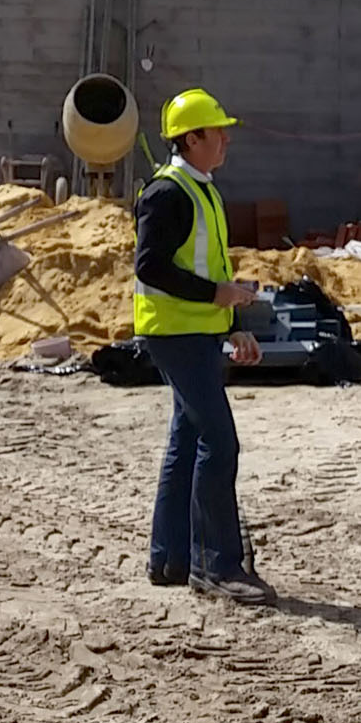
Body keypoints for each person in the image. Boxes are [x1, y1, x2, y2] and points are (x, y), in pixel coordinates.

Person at [135, 88, 272, 604]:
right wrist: (217, 298)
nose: (226, 140)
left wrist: (231, 323)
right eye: (218, 132)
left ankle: (171, 558)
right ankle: (216, 565)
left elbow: (213, 269)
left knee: (190, 437)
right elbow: (149, 266)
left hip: (196, 331)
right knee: (220, 440)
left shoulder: (203, 190)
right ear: (192, 139)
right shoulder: (167, 193)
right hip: (175, 334)